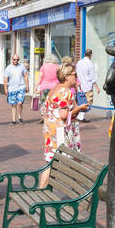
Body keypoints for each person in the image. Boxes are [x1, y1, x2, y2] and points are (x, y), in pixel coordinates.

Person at [38, 60, 84, 189]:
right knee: (69, 160)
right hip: (61, 132)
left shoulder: (54, 89)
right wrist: (79, 108)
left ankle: (78, 189)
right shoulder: (65, 92)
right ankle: (78, 191)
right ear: (66, 76)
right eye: (74, 74)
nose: (76, 77)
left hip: (50, 130)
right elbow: (64, 115)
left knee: (52, 161)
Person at [75, 48, 99, 121]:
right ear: (91, 55)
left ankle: (80, 116)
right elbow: (92, 77)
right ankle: (81, 117)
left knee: (81, 100)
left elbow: (76, 73)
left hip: (80, 85)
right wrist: (97, 87)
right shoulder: (90, 63)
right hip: (88, 86)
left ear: (84, 54)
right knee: (87, 102)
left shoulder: (79, 62)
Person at [5, 53, 28, 124]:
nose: (16, 61)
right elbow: (5, 79)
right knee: (13, 104)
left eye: (17, 59)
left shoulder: (22, 67)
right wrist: (5, 89)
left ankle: (19, 117)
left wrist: (27, 86)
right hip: (12, 88)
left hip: (21, 87)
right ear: (12, 59)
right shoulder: (8, 68)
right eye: (14, 59)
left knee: (20, 103)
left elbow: (25, 76)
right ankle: (13, 120)